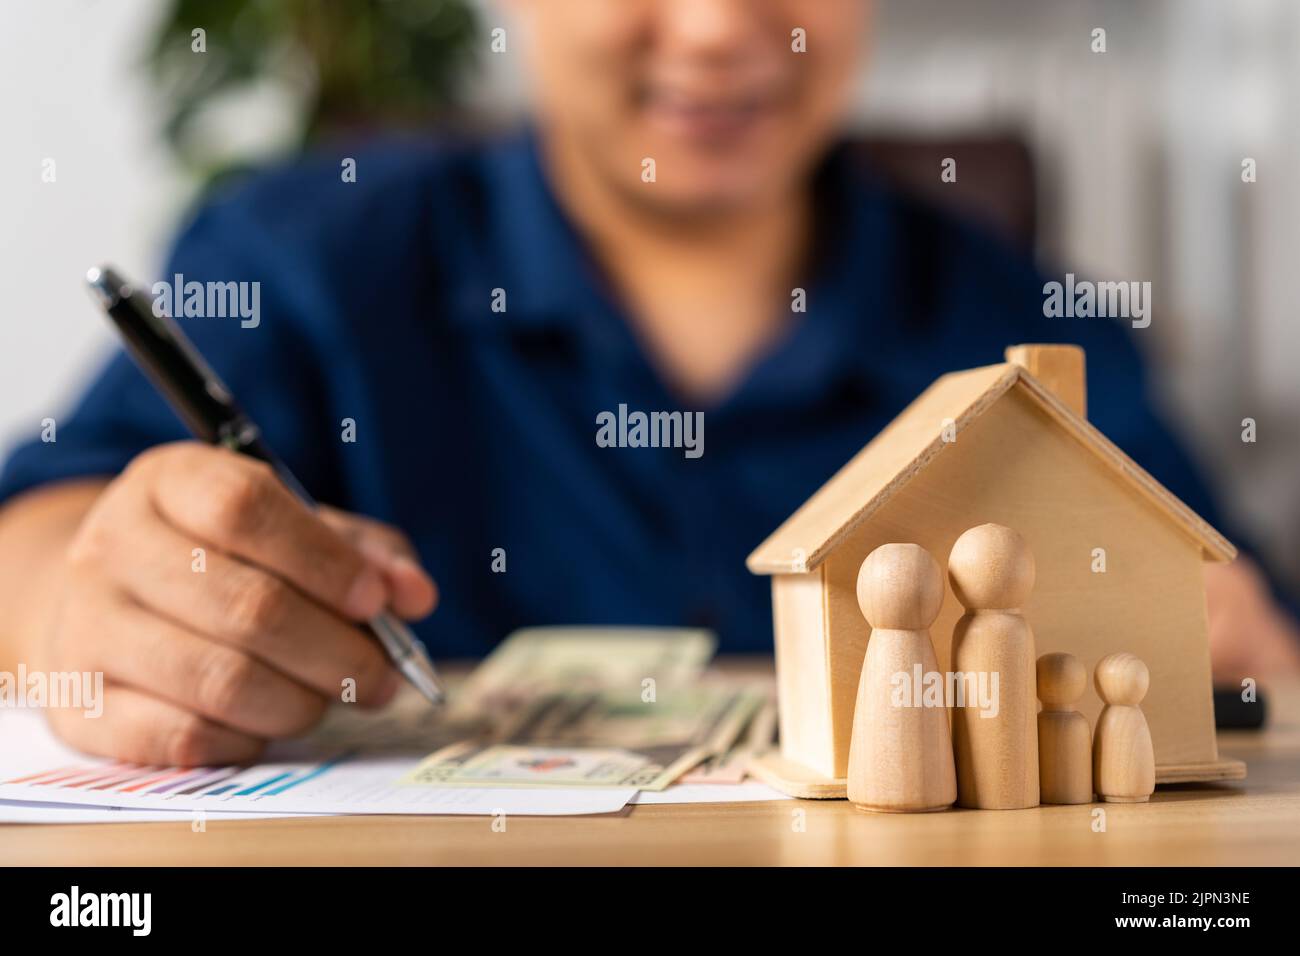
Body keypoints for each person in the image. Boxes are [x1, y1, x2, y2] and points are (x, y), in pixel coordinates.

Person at [0, 0, 1295, 765]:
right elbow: (43, 536)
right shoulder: (302, 261)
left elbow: (1235, 625)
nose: (721, 29)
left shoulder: (1022, 320)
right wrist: (86, 589)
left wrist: (1232, 655)